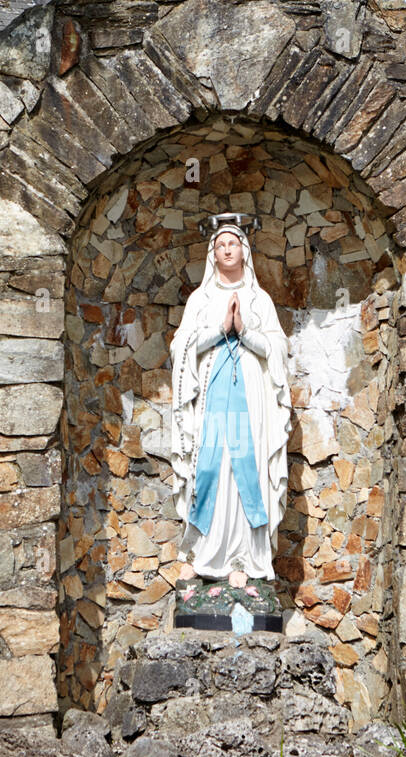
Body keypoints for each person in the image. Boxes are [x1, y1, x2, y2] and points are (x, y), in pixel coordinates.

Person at [170, 217, 292, 581]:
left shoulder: (259, 299)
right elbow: (180, 346)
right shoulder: (201, 299)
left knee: (245, 470)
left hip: (249, 398)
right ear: (213, 252)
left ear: (244, 251)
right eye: (221, 244)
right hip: (210, 395)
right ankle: (203, 554)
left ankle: (244, 558)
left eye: (233, 243)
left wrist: (244, 332)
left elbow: (278, 348)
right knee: (209, 467)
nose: (227, 249)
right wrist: (219, 331)